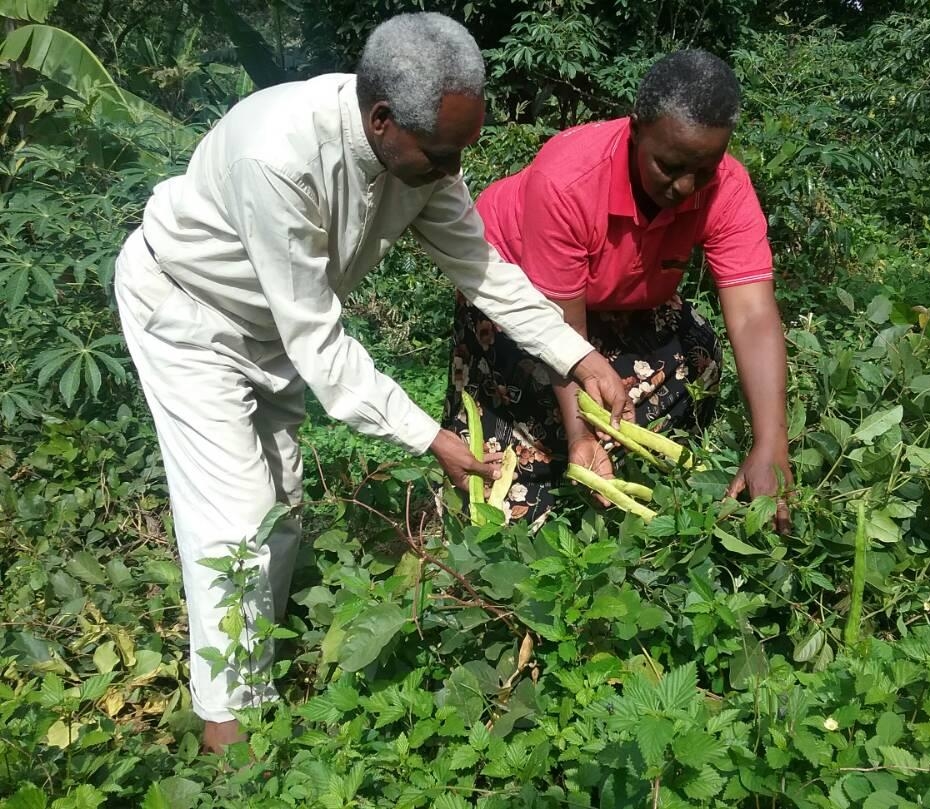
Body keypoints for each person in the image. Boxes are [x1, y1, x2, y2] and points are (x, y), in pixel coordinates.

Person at [112, 13, 632, 755]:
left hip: (269, 327)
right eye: (443, 153)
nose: (455, 171)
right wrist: (433, 437)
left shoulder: (424, 162)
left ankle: (262, 657)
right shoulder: (280, 155)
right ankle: (228, 733)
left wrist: (579, 356)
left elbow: (484, 272)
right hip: (190, 311)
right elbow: (321, 345)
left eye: (463, 153)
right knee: (232, 519)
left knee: (281, 505)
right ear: (382, 120)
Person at [442, 50, 792, 527]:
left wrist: (771, 446)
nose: (686, 186)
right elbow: (557, 329)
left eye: (704, 168)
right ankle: (547, 449)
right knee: (528, 466)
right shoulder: (568, 180)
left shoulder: (726, 186)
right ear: (635, 131)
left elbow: (752, 314)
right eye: (668, 166)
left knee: (700, 355)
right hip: (521, 295)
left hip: (621, 297)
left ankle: (613, 448)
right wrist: (580, 432)